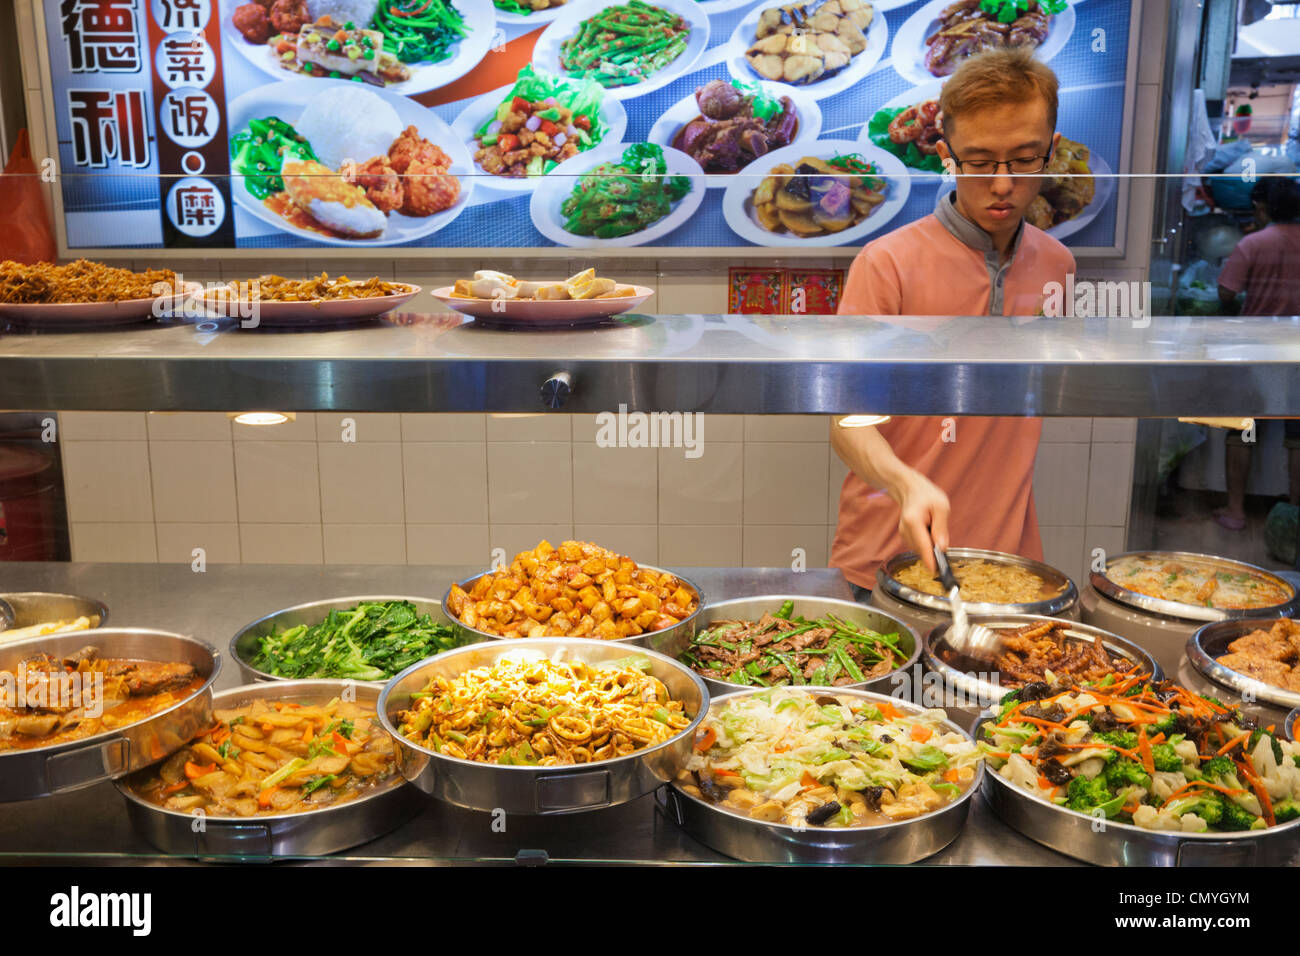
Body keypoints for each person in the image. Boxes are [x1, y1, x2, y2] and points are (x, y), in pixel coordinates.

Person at [830, 45, 1076, 598]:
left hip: (1006, 560)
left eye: (1024, 158)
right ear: (946, 155)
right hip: (887, 554)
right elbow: (846, 419)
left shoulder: (1058, 264)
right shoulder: (887, 263)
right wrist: (905, 483)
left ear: (1051, 151)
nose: (1004, 184)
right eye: (980, 161)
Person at [1213, 176, 1300, 530]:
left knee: (1243, 430)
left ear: (1263, 208)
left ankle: (1235, 511)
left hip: (1257, 351)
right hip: (1297, 353)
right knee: (1297, 437)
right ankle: (1294, 514)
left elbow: (1225, 293)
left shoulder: (1254, 243)